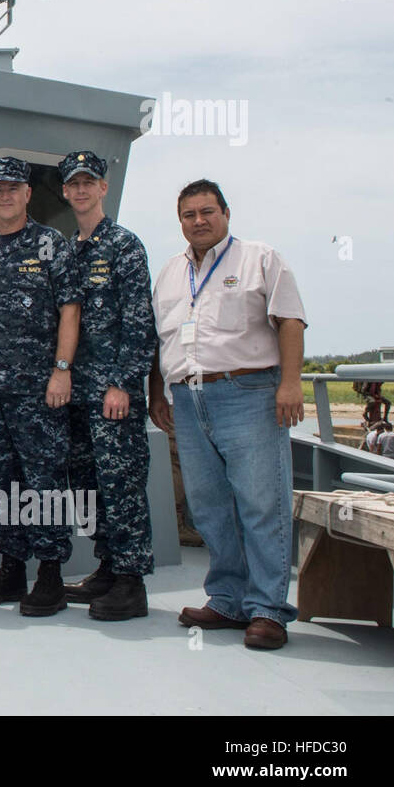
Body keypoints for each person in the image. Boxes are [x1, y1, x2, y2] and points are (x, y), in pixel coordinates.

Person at [148, 179, 307, 651]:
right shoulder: (171, 272)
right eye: (189, 214)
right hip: (188, 399)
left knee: (261, 503)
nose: (198, 221)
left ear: (226, 213)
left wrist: (291, 383)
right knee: (209, 505)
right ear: (180, 221)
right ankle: (227, 598)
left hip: (248, 391)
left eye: (207, 212)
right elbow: (163, 340)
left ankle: (267, 610)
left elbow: (290, 321)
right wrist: (159, 392)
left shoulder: (259, 258)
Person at [0, 156, 82, 617]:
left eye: (14, 187)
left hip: (40, 389)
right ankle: (12, 566)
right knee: (1, 481)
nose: (5, 195)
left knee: (45, 481)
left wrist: (61, 369)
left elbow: (70, 311)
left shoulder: (51, 243)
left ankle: (50, 573)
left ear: (28, 193)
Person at [57, 150, 155, 621]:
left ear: (103, 187)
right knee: (89, 485)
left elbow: (140, 321)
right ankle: (106, 567)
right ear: (64, 191)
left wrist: (122, 383)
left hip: (112, 394)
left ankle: (131, 583)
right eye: (73, 183)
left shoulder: (124, 245)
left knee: (121, 483)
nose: (80, 190)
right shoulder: (67, 249)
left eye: (88, 182)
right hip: (77, 393)